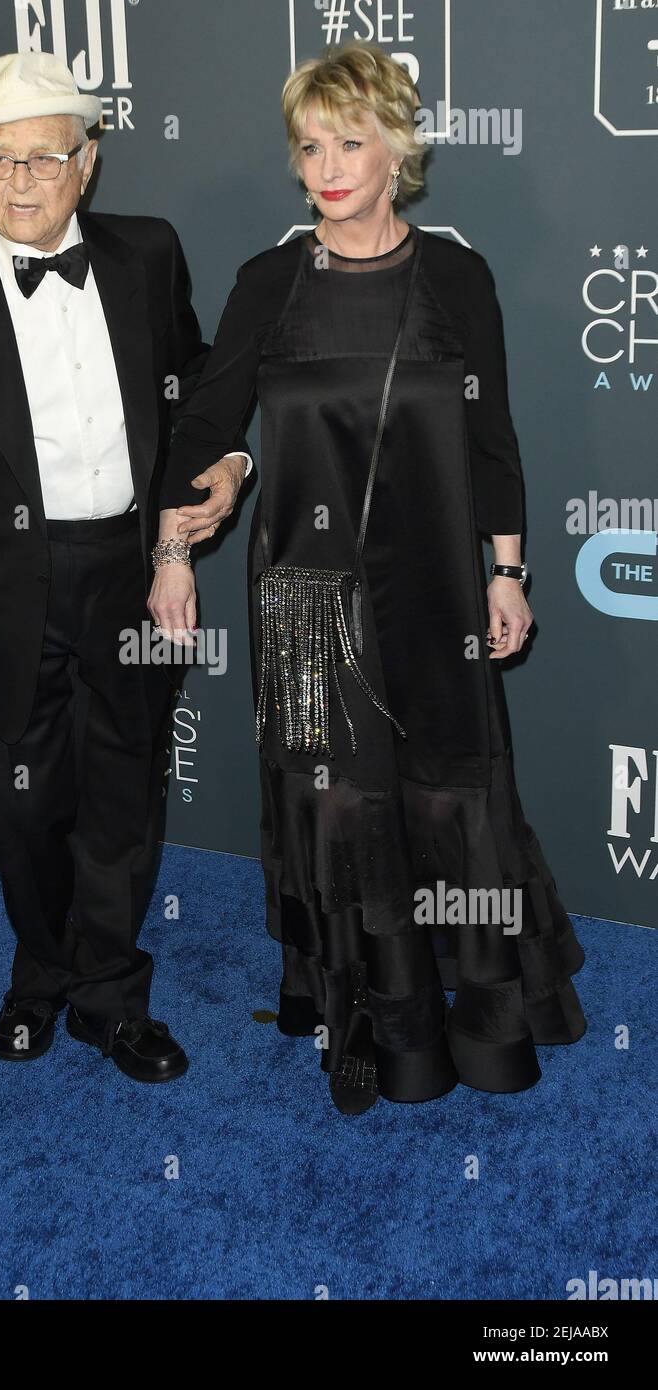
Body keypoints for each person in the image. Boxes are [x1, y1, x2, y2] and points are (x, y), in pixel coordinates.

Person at [150, 41, 586, 1115]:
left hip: (438, 584)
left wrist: (509, 571)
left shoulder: (455, 275)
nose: (329, 165)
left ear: (400, 149)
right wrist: (173, 543)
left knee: (452, 794)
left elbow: (493, 437)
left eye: (351, 140)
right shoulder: (268, 282)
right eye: (310, 145)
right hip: (304, 599)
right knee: (339, 813)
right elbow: (202, 424)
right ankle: (367, 1020)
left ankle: (481, 1018)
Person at [0, 52, 249, 1084]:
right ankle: (41, 974)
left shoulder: (146, 256)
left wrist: (228, 456)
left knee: (122, 800)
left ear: (89, 164)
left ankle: (112, 997)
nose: (20, 181)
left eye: (43, 158)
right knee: (27, 811)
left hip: (126, 567)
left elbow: (193, 375)